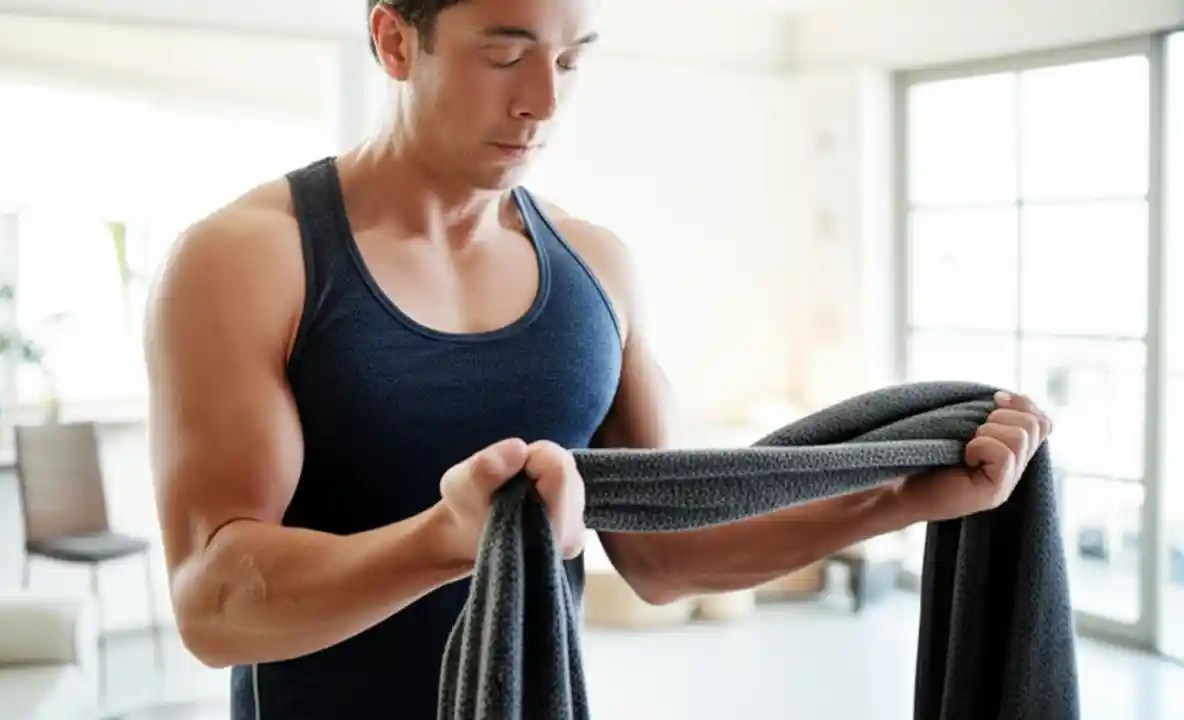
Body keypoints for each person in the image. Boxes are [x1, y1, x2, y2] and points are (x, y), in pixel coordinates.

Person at [142, 1, 1055, 717]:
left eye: (572, 58)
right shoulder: (247, 259)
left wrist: (905, 498)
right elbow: (212, 606)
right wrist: (439, 544)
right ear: (392, 40)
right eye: (504, 53)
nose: (543, 98)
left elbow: (666, 557)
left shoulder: (596, 267)